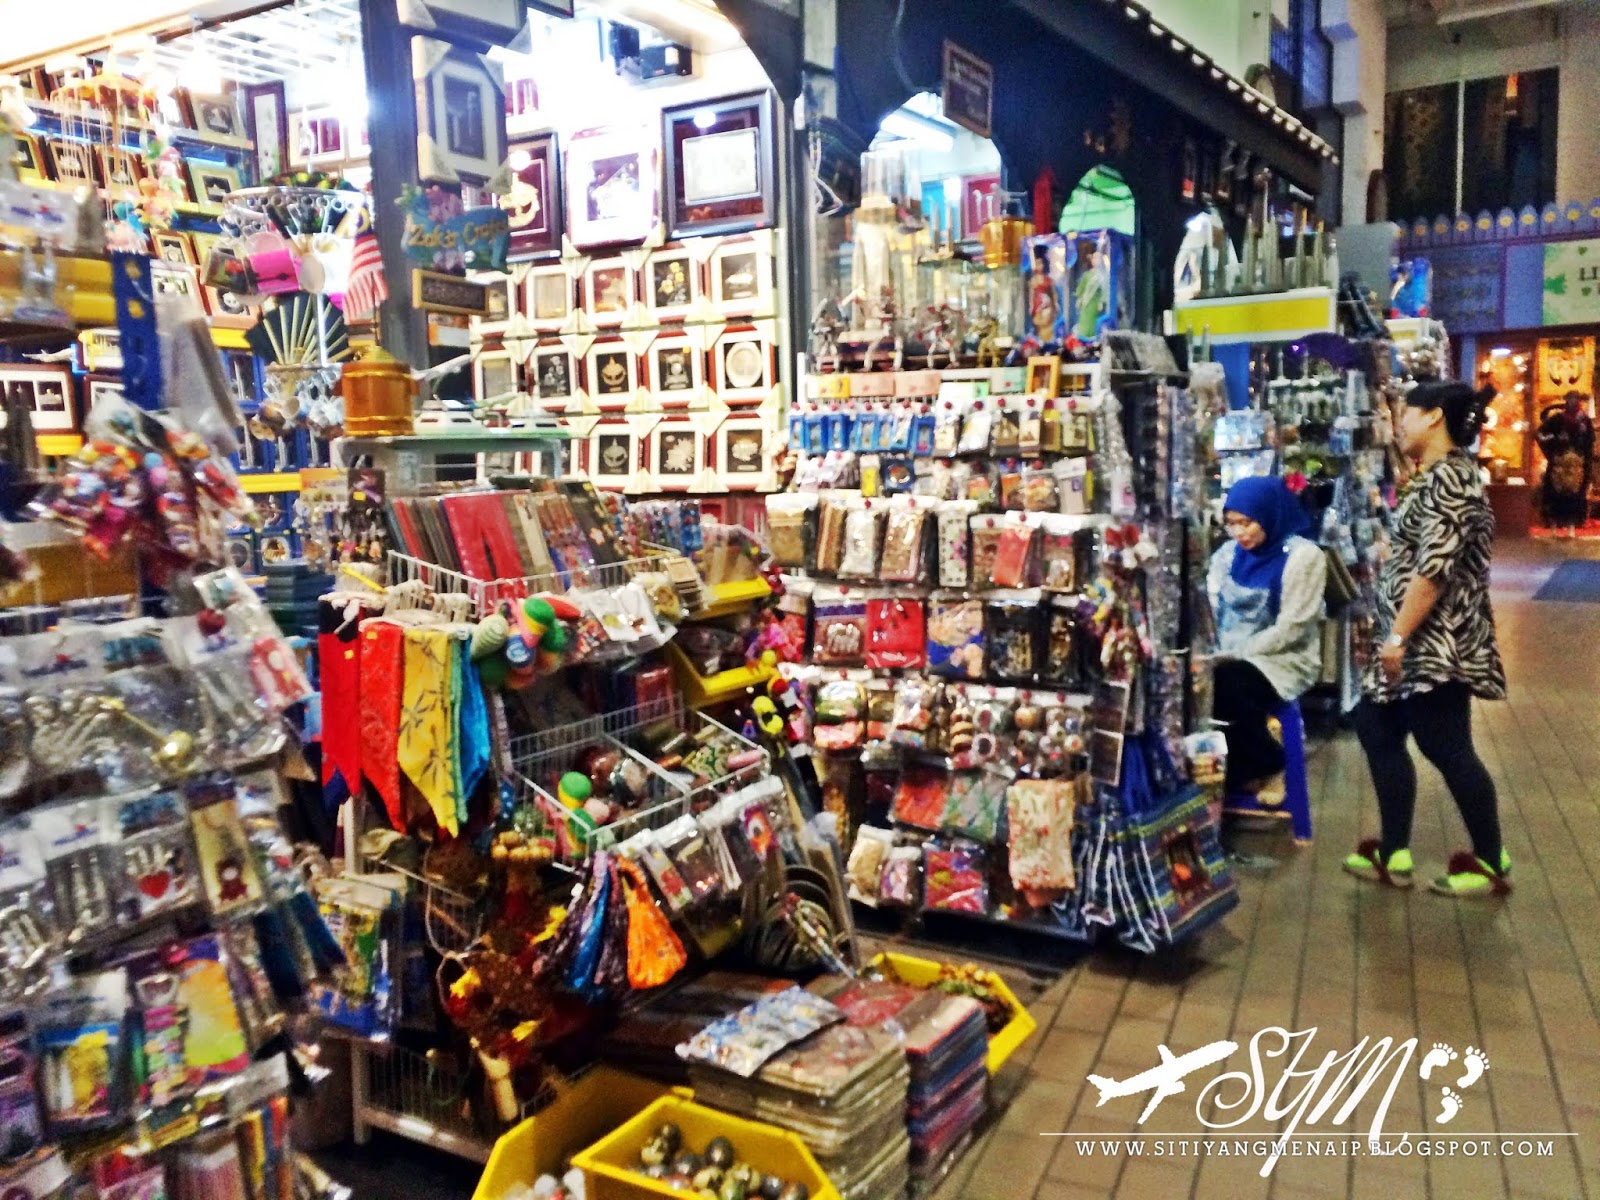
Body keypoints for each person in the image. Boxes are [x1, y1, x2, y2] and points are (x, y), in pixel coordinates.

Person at [1344, 380, 1510, 897]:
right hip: (1414, 643)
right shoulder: (1433, 477)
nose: (1399, 423)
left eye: (1406, 414)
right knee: (1375, 724)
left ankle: (1490, 860)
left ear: (1434, 416)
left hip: (1437, 644)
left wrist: (1396, 637)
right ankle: (1394, 850)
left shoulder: (1454, 481)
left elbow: (1433, 571)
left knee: (1446, 743)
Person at [1206, 475, 1326, 798]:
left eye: (1248, 522)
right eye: (1232, 524)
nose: (1240, 532)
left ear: (1269, 513)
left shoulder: (1304, 557)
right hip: (1229, 652)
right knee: (1202, 684)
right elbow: (1212, 605)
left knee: (1228, 684)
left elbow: (1293, 628)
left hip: (1284, 657)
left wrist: (1237, 653)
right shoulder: (1227, 555)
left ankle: (1271, 763)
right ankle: (1238, 768)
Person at [1534, 391, 1594, 531]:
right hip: (1559, 463)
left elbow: (1589, 444)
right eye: (1570, 399)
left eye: (1575, 399)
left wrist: (1587, 463)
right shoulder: (1557, 419)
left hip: (1577, 465)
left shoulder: (1585, 421)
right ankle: (1554, 524)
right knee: (1556, 493)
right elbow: (1540, 434)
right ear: (1566, 401)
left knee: (1574, 495)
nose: (1572, 401)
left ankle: (1571, 525)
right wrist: (1554, 443)